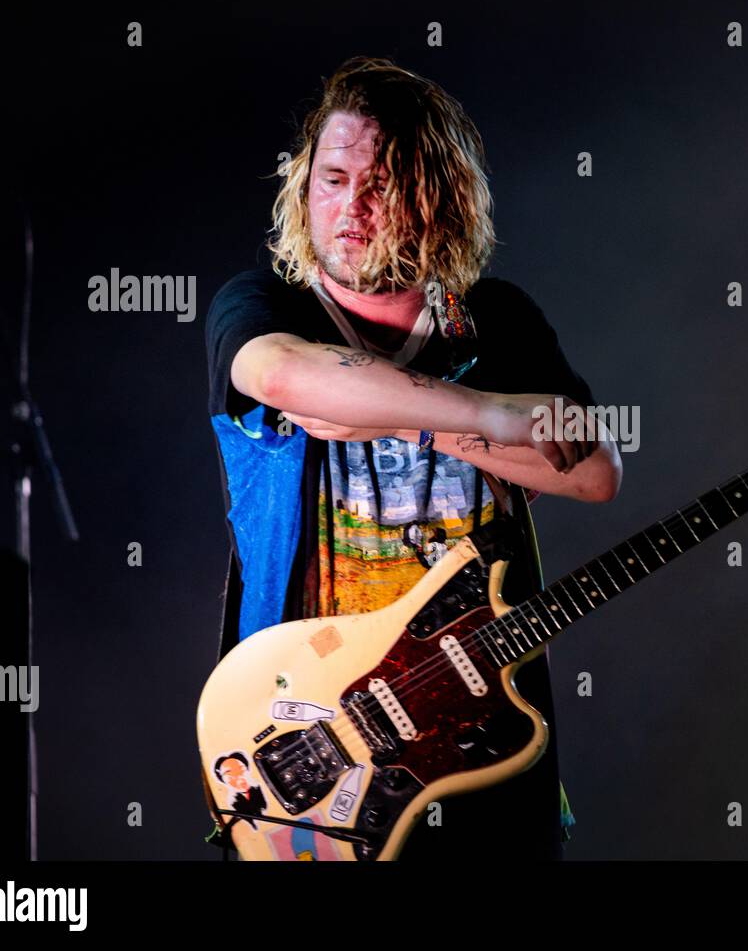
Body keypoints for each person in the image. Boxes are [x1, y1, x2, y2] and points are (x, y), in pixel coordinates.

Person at [204, 57, 622, 861]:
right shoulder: (265, 307)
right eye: (331, 178)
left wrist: (422, 428)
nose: (350, 207)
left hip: (484, 751)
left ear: (438, 196)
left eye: (382, 183)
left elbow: (595, 471)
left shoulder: (496, 322)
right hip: (312, 745)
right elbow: (282, 374)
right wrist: (495, 416)